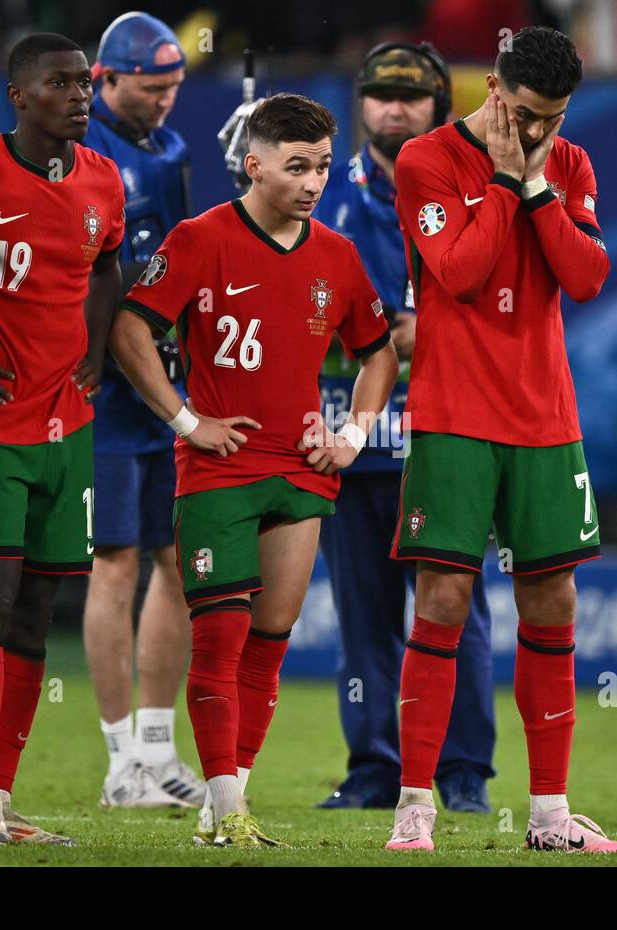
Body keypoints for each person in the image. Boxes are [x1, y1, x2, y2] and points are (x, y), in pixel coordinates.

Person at [108, 93, 399, 846]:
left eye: (323, 168)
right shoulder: (200, 238)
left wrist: (354, 434)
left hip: (301, 470)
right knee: (222, 636)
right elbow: (131, 328)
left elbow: (379, 352)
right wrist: (185, 420)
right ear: (254, 163)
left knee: (270, 637)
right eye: (297, 166)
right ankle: (231, 807)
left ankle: (223, 800)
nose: (312, 182)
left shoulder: (335, 254)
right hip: (218, 467)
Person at [384, 26, 617, 853]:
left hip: (544, 417)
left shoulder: (570, 163)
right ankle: (415, 805)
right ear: (491, 87)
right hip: (455, 413)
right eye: (524, 114)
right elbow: (459, 270)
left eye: (551, 119)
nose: (535, 132)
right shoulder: (425, 160)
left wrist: (536, 188)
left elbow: (589, 276)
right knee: (445, 601)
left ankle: (551, 815)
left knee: (553, 601)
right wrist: (502, 177)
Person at [0, 33, 124, 844]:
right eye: (61, 83)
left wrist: (96, 349)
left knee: (37, 608)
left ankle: (1, 803)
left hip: (67, 427)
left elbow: (111, 265)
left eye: (85, 83)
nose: (80, 96)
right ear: (16, 95)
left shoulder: (103, 179)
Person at [311, 42, 495, 812]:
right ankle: (374, 771)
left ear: (438, 109)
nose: (393, 107)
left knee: (456, 611)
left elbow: (492, 305)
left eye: (409, 96)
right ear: (361, 104)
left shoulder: (472, 194)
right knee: (365, 622)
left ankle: (460, 776)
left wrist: (411, 328)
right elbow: (298, 312)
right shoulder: (318, 192)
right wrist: (390, 332)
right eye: (380, 94)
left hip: (441, 430)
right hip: (350, 437)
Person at [80, 10, 205, 809]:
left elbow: (179, 263)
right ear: (108, 80)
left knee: (177, 563)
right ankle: (119, 758)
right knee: (115, 561)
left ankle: (157, 751)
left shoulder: (174, 153)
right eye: (149, 89)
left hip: (162, 387)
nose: (162, 103)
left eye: (172, 90)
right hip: (104, 390)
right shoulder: (86, 150)